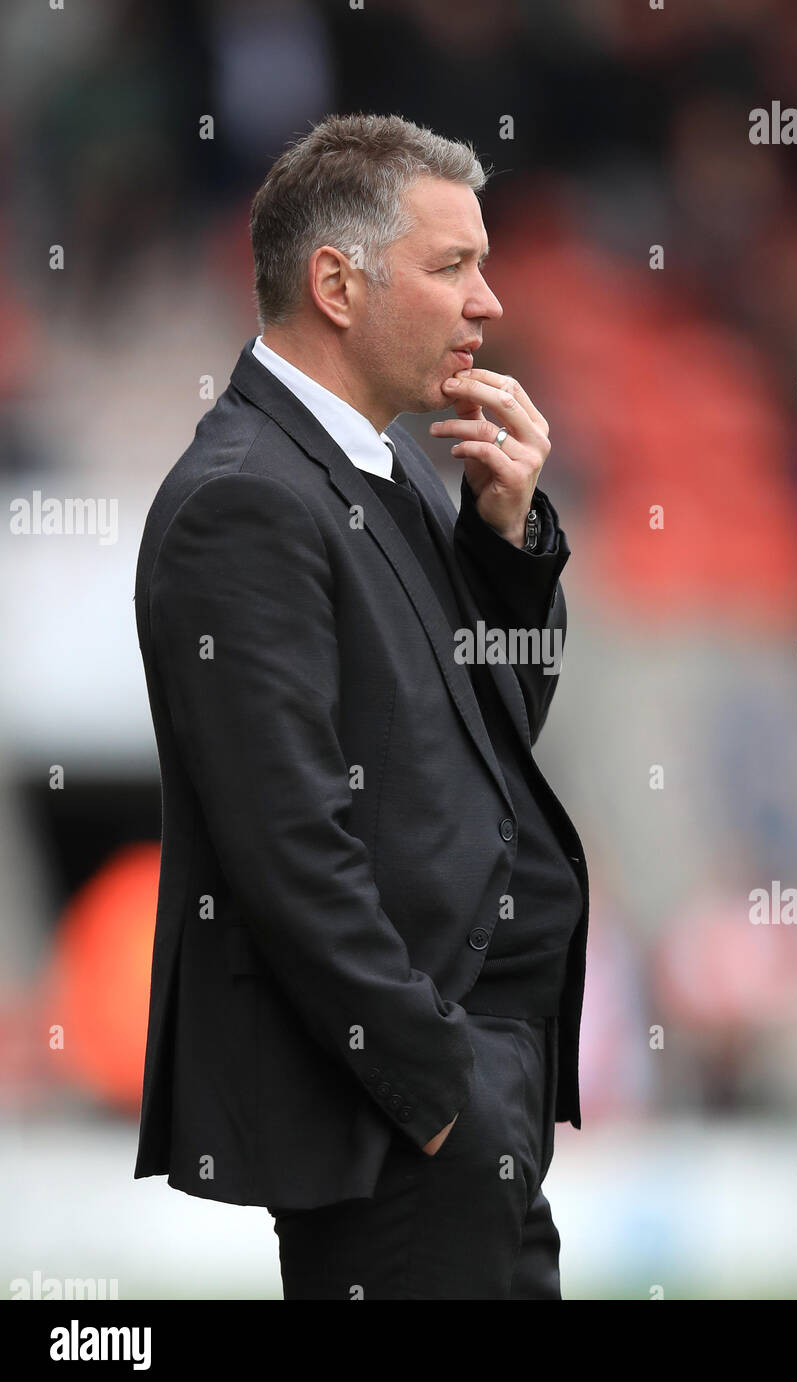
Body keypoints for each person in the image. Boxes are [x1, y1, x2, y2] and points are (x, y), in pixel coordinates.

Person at [132, 112, 588, 1300]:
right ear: (336, 283)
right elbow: (285, 847)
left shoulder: (377, 471)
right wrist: (437, 1090)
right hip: (397, 1121)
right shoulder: (247, 499)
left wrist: (505, 546)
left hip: (459, 1103)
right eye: (453, 266)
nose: (487, 301)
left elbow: (488, 744)